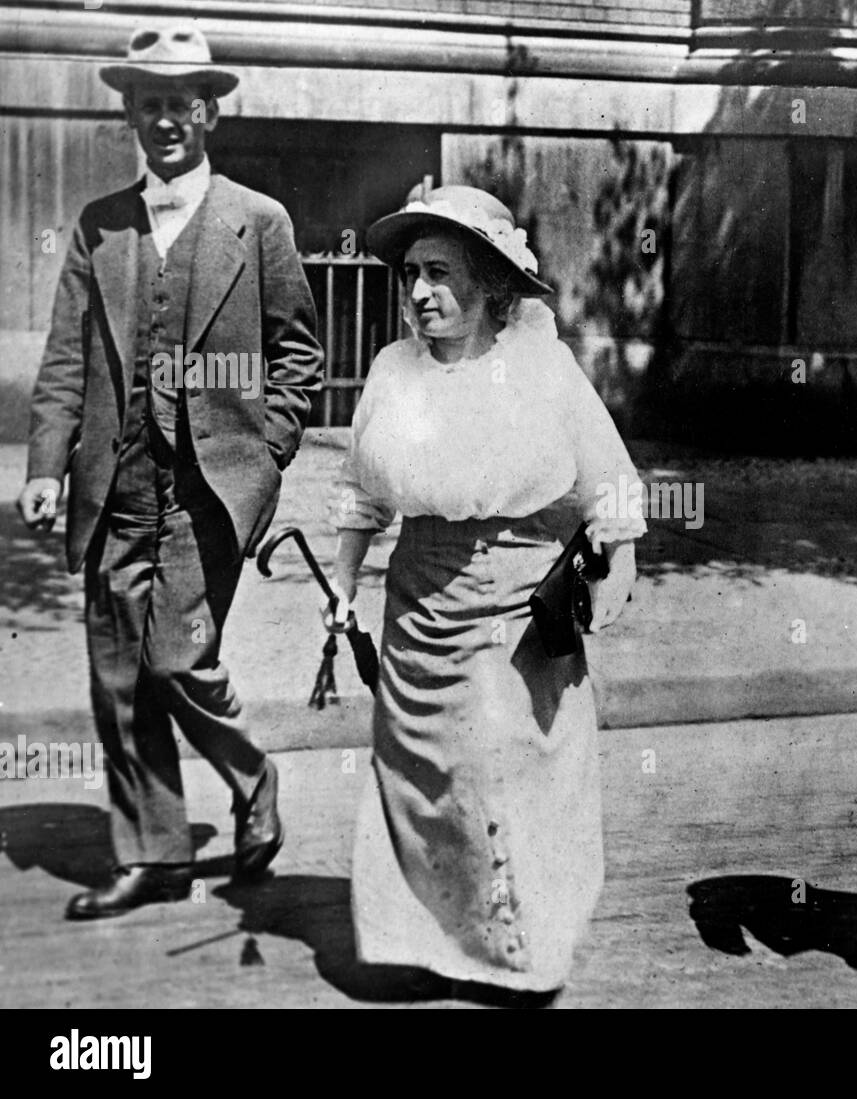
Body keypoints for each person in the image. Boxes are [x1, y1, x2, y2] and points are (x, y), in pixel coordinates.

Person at [16, 23, 323, 918]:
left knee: (178, 656)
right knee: (118, 675)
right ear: (129, 115)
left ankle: (253, 773)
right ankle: (153, 853)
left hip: (211, 491)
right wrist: (46, 466)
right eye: (147, 104)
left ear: (209, 112)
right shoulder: (99, 227)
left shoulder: (258, 223)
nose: (164, 120)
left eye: (180, 102)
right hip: (115, 485)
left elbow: (299, 355)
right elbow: (66, 359)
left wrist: (267, 451)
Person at [325, 184, 644, 997]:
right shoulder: (393, 373)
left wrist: (621, 562)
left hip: (511, 599)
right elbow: (361, 490)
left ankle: (519, 954)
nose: (420, 293)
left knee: (504, 771)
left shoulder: (540, 366)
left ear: (492, 284)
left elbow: (607, 479)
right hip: (416, 601)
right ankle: (422, 944)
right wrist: (341, 586)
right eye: (410, 275)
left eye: (440, 273)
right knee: (421, 779)